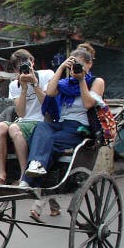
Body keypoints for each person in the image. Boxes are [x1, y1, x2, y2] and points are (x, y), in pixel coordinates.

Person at [24, 43, 105, 181]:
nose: (77, 68)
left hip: (79, 127)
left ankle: (30, 180)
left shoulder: (96, 81)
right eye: (74, 65)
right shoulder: (65, 83)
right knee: (41, 128)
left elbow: (88, 104)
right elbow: (49, 92)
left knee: (47, 141)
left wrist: (81, 80)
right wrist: (61, 67)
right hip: (61, 123)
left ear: (89, 64)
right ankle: (36, 166)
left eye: (80, 65)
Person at [0, 49, 55, 186]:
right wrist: (24, 89)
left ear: (32, 62)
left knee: (14, 128)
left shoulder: (46, 75)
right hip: (24, 121)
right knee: (1, 126)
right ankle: (1, 173)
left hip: (41, 122)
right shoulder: (14, 85)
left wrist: (34, 84)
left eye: (27, 64)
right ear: (16, 69)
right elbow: (21, 113)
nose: (25, 69)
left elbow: (48, 107)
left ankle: (23, 175)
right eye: (20, 67)